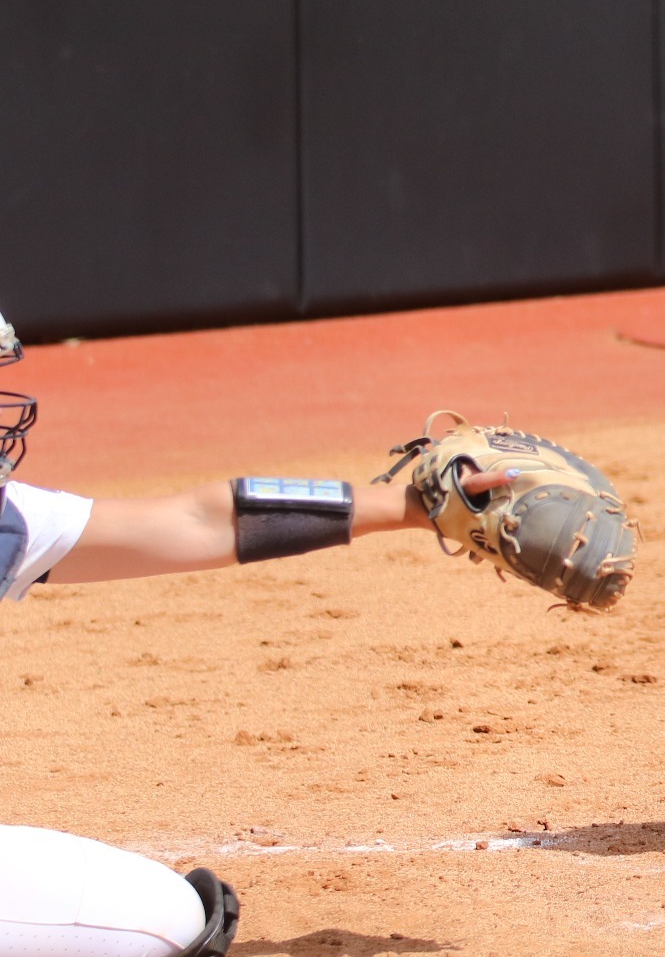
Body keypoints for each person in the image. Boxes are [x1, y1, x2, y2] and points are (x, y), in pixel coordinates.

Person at [0, 313, 513, 956]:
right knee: (163, 926)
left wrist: (415, 507)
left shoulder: (8, 521)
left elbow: (198, 521)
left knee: (164, 911)